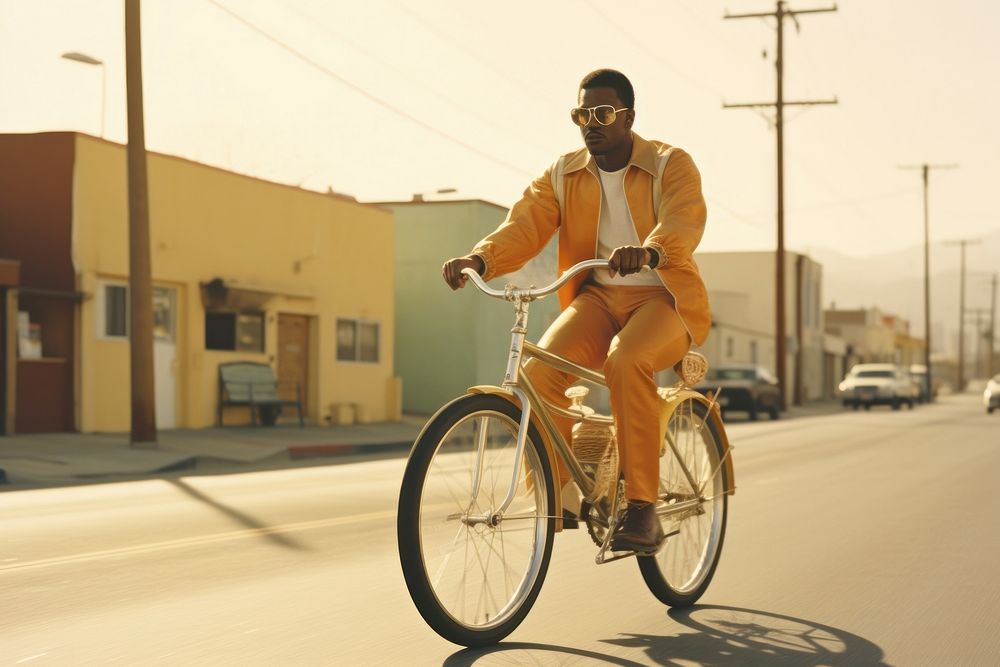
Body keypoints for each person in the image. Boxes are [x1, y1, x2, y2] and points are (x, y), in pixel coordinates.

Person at [442, 69, 710, 554]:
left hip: (663, 299)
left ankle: (643, 510)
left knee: (626, 361)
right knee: (537, 376)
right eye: (581, 114)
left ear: (628, 117)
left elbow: (683, 219)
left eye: (602, 114)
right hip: (598, 298)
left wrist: (650, 251)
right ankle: (561, 492)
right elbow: (524, 224)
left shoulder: (671, 164)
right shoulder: (563, 173)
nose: (591, 123)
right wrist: (480, 258)